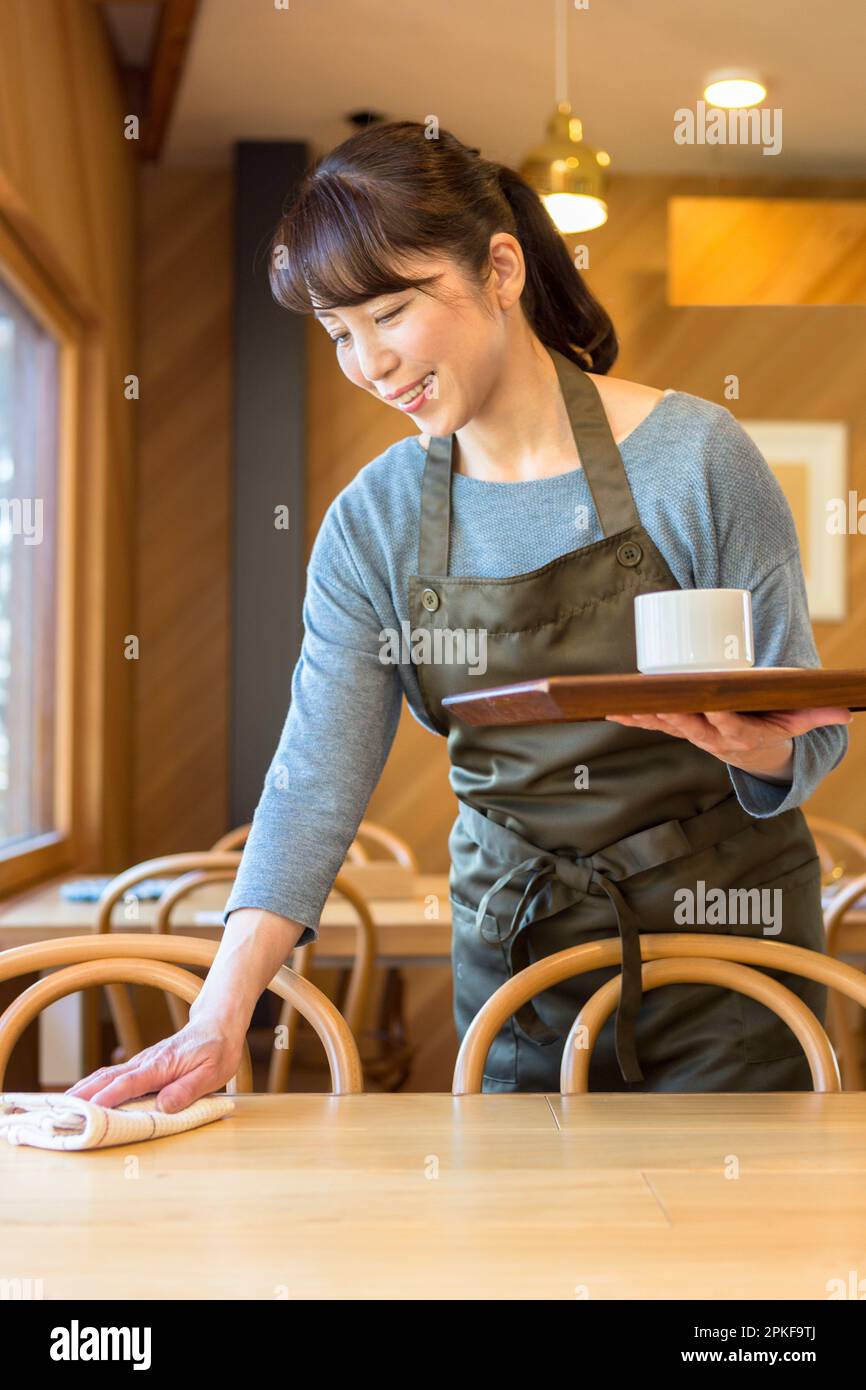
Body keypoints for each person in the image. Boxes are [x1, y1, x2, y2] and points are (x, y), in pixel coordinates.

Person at [67, 120, 851, 1110]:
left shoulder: (697, 458)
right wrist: (220, 1012)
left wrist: (755, 747)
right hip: (517, 963)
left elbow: (806, 738)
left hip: (726, 957)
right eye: (338, 334)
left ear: (500, 270)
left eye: (389, 313)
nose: (368, 363)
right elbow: (314, 777)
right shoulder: (373, 525)